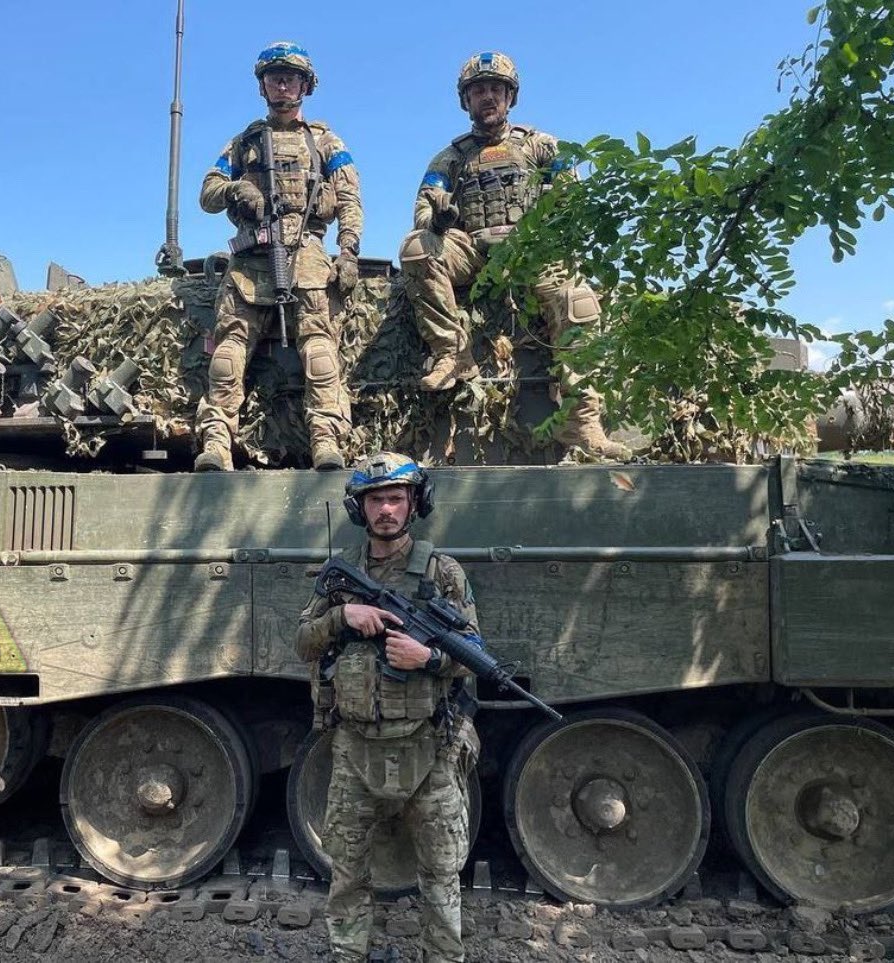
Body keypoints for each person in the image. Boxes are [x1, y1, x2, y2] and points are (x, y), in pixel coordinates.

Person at [398, 51, 632, 461]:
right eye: (478, 91)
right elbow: (423, 207)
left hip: (531, 251)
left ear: (510, 96)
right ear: (466, 100)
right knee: (416, 248)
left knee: (576, 300)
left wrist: (551, 211)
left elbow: (572, 197)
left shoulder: (542, 146)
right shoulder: (449, 158)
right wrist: (438, 217)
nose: (488, 96)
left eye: (496, 89)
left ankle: (582, 420)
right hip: (473, 251)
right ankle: (452, 353)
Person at [297, 452, 480, 963]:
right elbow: (303, 642)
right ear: (360, 508)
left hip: (429, 747)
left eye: (396, 498)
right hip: (354, 748)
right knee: (347, 874)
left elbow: (473, 652)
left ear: (414, 503)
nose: (386, 510)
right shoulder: (342, 573)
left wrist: (429, 658)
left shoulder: (442, 573)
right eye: (376, 499)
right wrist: (342, 618)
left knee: (441, 876)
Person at [194, 41, 363, 472]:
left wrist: (348, 252)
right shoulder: (244, 142)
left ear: (305, 86)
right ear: (263, 86)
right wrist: (238, 188)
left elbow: (349, 198)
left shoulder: (325, 141)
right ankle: (216, 442)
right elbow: (208, 194)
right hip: (252, 257)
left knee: (319, 349)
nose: (282, 85)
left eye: (291, 78)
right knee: (228, 353)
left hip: (307, 254)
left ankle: (326, 438)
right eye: (274, 78)